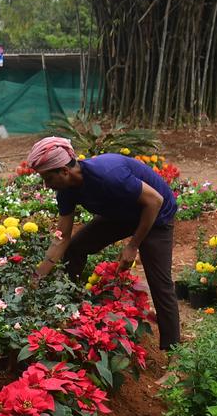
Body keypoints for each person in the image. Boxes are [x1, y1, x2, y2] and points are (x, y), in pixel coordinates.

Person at [28, 136, 180, 352]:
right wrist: (37, 276)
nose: (46, 184)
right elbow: (62, 237)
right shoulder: (66, 190)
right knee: (75, 248)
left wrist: (133, 246)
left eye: (48, 178)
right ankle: (72, 306)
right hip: (120, 214)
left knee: (159, 283)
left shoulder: (108, 175)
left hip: (155, 215)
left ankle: (173, 351)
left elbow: (155, 200)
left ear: (64, 171)